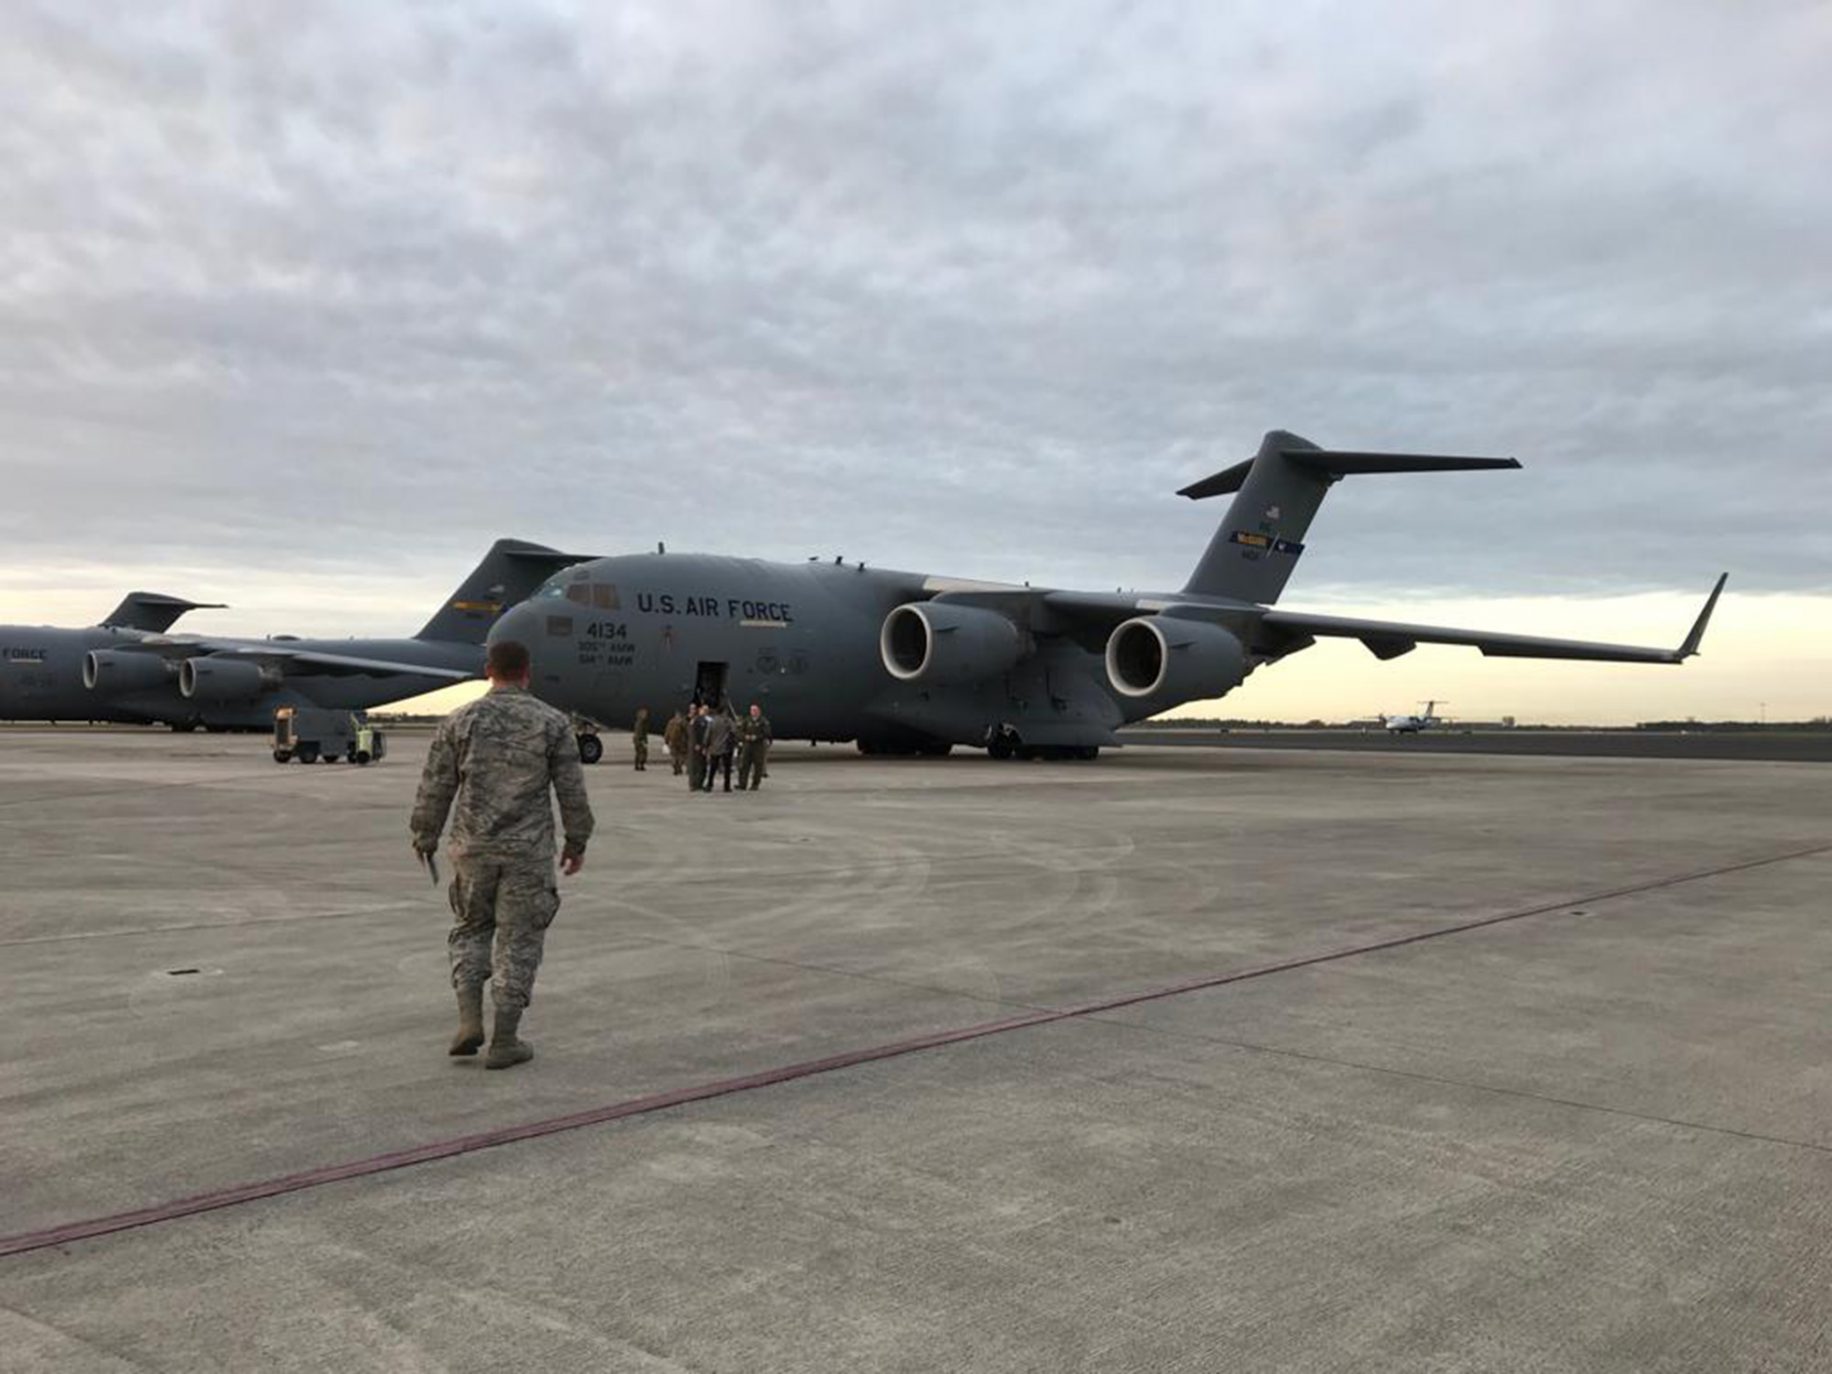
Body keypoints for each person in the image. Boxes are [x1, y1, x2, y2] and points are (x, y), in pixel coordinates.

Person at [410, 639, 593, 1071]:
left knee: (471, 928)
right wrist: (577, 841)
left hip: (472, 849)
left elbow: (436, 785)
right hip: (527, 853)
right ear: (528, 673)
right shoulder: (551, 722)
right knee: (519, 939)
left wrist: (424, 835)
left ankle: (469, 1020)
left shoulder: (460, 720)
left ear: (488, 671)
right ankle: (505, 1040)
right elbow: (571, 790)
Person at [735, 702, 772, 791]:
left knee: (758, 766)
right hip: (747, 746)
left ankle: (755, 784)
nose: (753, 712)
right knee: (744, 765)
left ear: (759, 711)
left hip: (758, 746)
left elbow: (767, 733)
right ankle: (742, 784)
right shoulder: (747, 720)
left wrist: (757, 737)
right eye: (752, 710)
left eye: (755, 710)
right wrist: (745, 737)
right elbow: (740, 732)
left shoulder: (763, 721)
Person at [702, 704, 735, 792]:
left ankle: (709, 785)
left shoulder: (712, 721)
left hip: (714, 747)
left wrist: (705, 745)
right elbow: (734, 731)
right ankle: (727, 786)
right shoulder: (728, 721)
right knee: (727, 768)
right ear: (724, 711)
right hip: (726, 748)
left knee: (713, 768)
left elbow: (707, 734)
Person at [687, 704, 710, 792]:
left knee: (702, 765)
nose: (705, 711)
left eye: (707, 710)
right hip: (695, 746)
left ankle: (700, 783)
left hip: (703, 746)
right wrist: (696, 744)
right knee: (694, 766)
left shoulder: (707, 721)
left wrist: (705, 746)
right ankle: (693, 784)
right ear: (700, 710)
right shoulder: (695, 720)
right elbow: (693, 733)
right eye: (704, 710)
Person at [662, 707, 688, 775]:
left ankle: (675, 766)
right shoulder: (683, 722)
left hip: (672, 741)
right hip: (681, 742)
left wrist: (666, 741)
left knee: (674, 755)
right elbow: (687, 732)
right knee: (681, 755)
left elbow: (667, 732)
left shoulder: (671, 722)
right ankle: (679, 767)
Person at [631, 707, 650, 771]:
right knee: (643, 753)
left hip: (638, 740)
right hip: (640, 740)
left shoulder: (640, 722)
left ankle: (637, 765)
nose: (646, 715)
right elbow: (640, 733)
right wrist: (642, 741)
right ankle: (641, 765)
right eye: (644, 714)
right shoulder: (641, 723)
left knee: (638, 753)